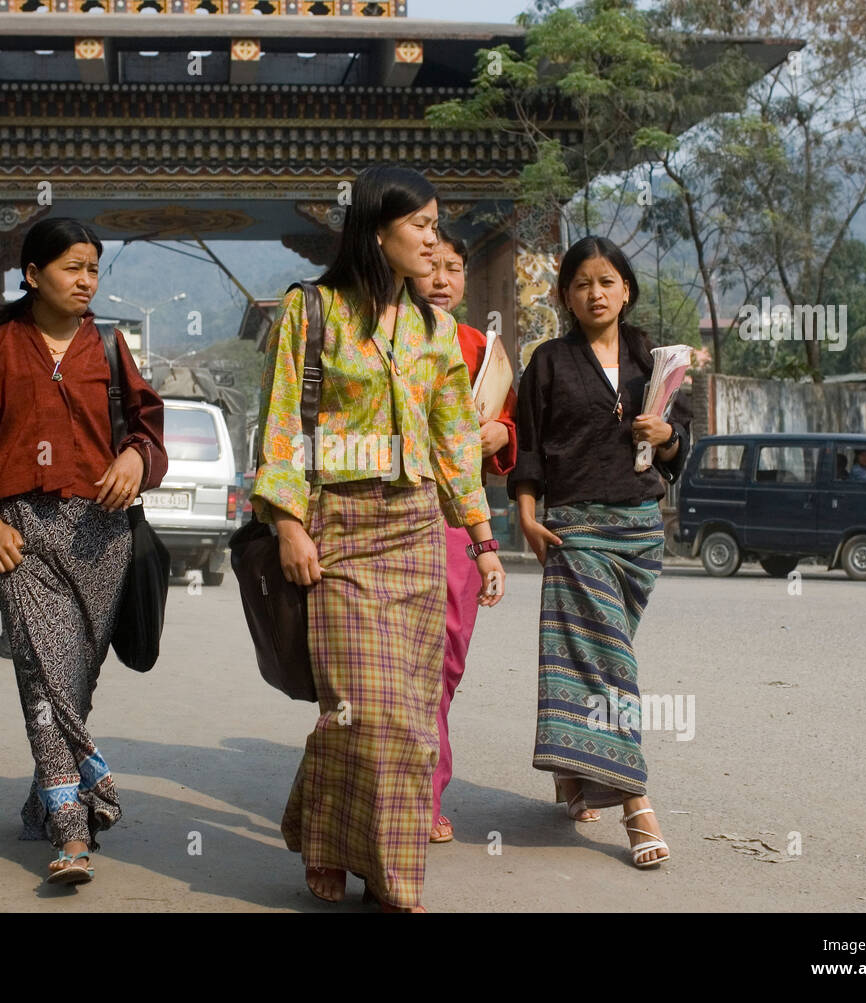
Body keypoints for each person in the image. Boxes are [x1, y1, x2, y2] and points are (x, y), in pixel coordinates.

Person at [251, 166, 507, 912]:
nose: (434, 241)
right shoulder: (313, 310)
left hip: (417, 531)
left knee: (404, 711)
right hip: (339, 529)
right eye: (421, 225)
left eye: (437, 226)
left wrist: (484, 539)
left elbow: (456, 441)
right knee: (359, 702)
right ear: (376, 229)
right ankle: (367, 865)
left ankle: (357, 854)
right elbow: (277, 422)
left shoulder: (431, 328)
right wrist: (290, 521)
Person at [0, 217, 167, 885]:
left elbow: (151, 427)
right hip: (22, 536)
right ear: (33, 273)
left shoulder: (110, 344)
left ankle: (45, 794)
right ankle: (73, 828)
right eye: (72, 267)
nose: (86, 281)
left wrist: (134, 455)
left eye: (93, 269)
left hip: (103, 536)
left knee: (72, 680)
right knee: (44, 675)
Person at [508, 236, 691, 868]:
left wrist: (667, 436)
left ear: (627, 290)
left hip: (640, 531)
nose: (596, 293)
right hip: (576, 530)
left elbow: (680, 438)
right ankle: (637, 804)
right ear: (565, 295)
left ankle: (573, 770)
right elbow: (529, 445)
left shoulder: (651, 356)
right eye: (582, 283)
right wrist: (526, 513)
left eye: (607, 281)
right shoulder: (549, 363)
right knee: (610, 666)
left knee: (594, 659)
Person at [412, 232, 517, 845]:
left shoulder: (479, 347)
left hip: (457, 517)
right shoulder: (385, 337)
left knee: (445, 656)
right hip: (394, 503)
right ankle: (396, 795)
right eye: (431, 265)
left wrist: (501, 435)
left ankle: (427, 788)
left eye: (454, 268)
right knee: (394, 660)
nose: (443, 278)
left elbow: (507, 421)